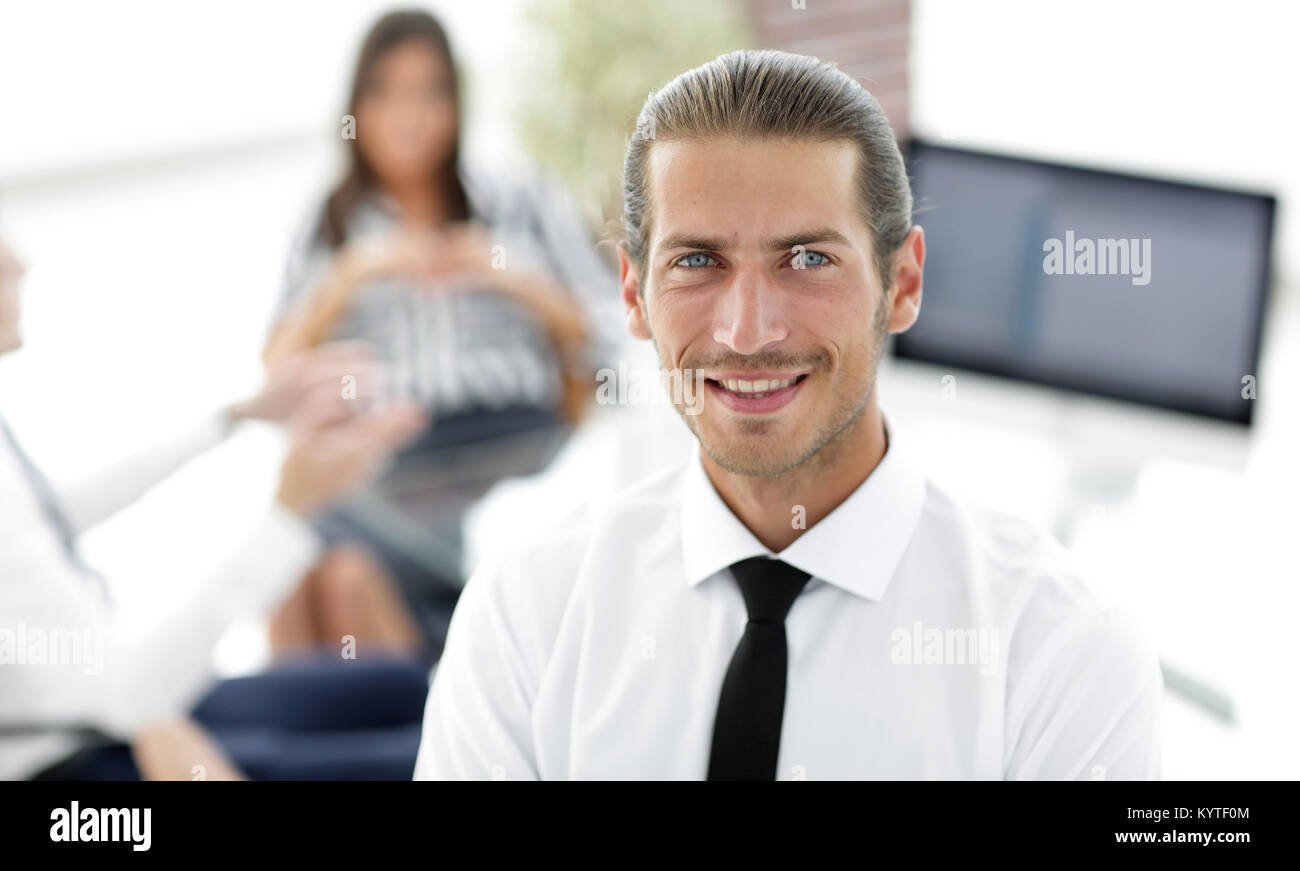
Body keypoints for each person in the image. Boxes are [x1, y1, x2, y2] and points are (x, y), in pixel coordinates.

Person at [414, 50, 1164, 780]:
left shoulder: (1062, 651)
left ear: (901, 283)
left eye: (806, 259)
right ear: (635, 295)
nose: (747, 332)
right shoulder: (525, 616)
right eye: (697, 261)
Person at [0, 232, 432, 780]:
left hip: (113, 712)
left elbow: (48, 517)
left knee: (397, 687)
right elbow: (133, 695)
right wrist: (289, 513)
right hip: (76, 775)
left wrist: (239, 417)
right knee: (430, 761)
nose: (20, 259)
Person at [264, 9, 623, 657]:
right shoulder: (331, 226)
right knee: (287, 577)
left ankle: (412, 728)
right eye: (387, 92)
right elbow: (276, 376)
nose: (410, 113)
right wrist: (350, 276)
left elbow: (614, 329)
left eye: (430, 91)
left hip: (511, 447)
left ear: (457, 104)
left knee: (344, 578)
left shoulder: (517, 199)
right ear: (358, 107)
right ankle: (360, 738)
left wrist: (505, 272)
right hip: (387, 464)